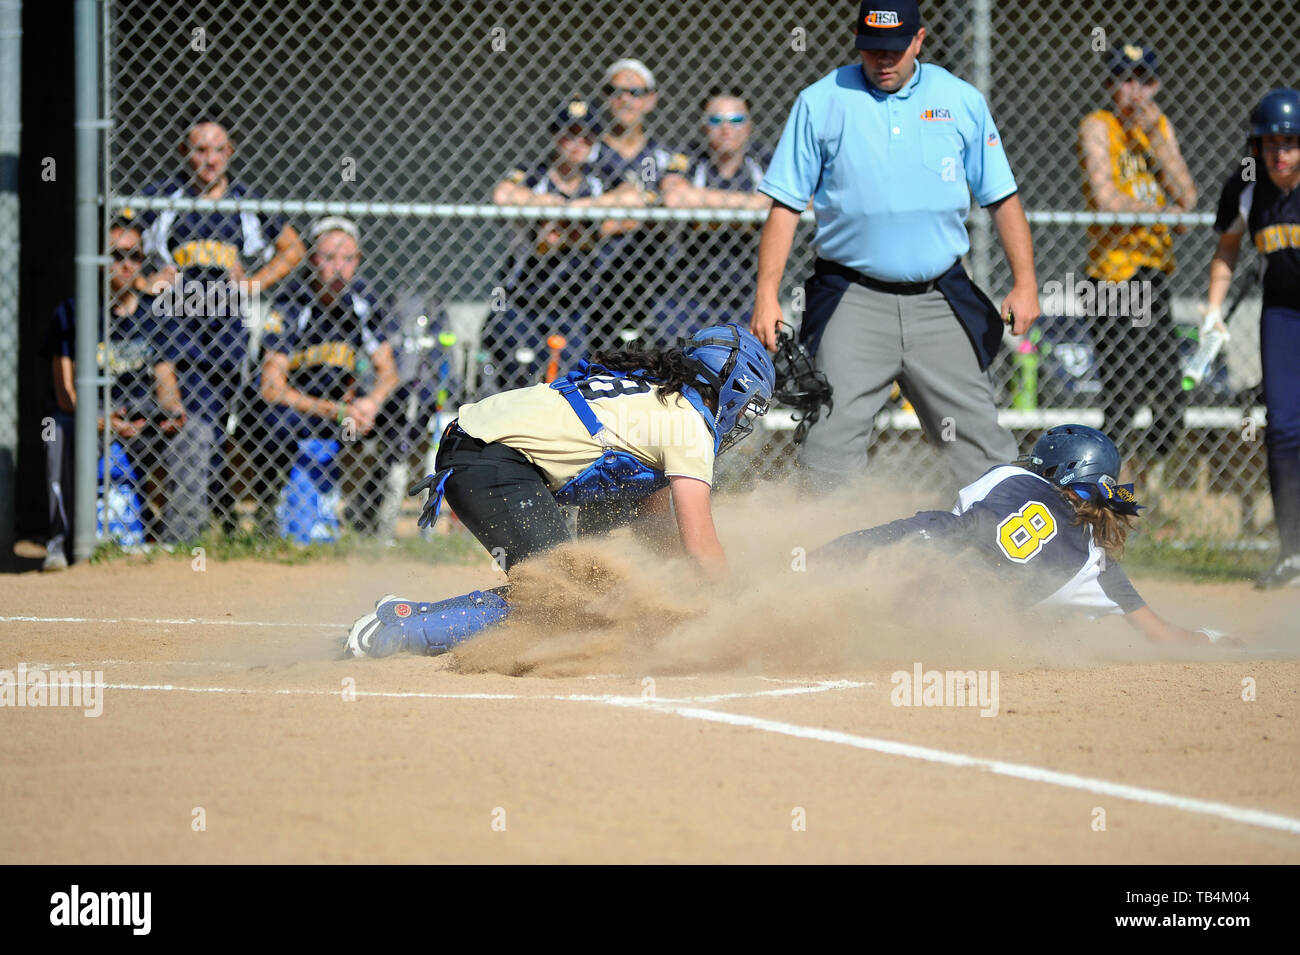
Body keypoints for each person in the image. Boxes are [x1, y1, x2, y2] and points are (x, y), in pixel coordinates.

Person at [343, 323, 776, 658]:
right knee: (560, 601)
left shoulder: (660, 399)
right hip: (492, 459)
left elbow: (651, 532)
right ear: (731, 388)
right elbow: (701, 546)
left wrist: (665, 592)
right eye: (749, 405)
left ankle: (410, 613)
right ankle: (398, 632)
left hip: (481, 449)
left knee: (589, 591)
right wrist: (739, 609)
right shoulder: (689, 425)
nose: (744, 420)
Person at [750, 0, 1039, 491]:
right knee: (829, 446)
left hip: (938, 297)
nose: (884, 61)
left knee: (981, 445)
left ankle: (1006, 555)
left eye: (895, 49)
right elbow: (785, 204)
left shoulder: (961, 99)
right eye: (872, 49)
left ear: (919, 40)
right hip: (853, 297)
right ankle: (824, 556)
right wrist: (767, 293)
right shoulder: (822, 100)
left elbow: (1002, 197)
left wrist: (1026, 282)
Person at [819, 425, 1229, 644]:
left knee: (934, 529)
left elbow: (965, 519)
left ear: (1061, 470)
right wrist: (1209, 637)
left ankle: (817, 562)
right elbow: (1162, 635)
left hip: (921, 567)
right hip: (957, 628)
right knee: (1043, 622)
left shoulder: (1009, 475)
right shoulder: (1096, 565)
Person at [143, 119, 306, 539]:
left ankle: (217, 520)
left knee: (214, 428)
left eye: (217, 149)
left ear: (230, 152)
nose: (209, 159)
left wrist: (255, 282)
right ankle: (186, 529)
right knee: (189, 423)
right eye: (199, 150)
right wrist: (146, 280)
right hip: (173, 334)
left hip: (227, 339)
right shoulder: (164, 197)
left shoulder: (244, 203)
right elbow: (117, 244)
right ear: (184, 153)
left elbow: (293, 249)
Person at [1077, 43, 1198, 466]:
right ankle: (1101, 488)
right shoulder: (1099, 125)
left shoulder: (1159, 128)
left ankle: (1146, 479)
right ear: (1111, 85)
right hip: (1111, 279)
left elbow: (1188, 205)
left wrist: (1156, 146)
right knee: (1122, 396)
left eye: (1143, 80)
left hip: (1153, 273)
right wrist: (1161, 212)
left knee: (1169, 395)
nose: (1134, 91)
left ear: (1156, 84)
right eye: (1124, 80)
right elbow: (1106, 198)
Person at [1201, 89, 1300, 589]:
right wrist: (1213, 310)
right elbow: (1227, 249)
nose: (1280, 152)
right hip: (1282, 314)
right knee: (1283, 427)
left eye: (1291, 142)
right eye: (1270, 143)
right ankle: (1292, 553)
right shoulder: (1246, 188)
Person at [259, 217, 400, 542]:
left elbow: (388, 372)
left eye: (348, 259)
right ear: (312, 260)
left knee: (402, 413)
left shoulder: (362, 301)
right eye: (329, 258)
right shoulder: (292, 302)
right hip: (300, 411)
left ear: (359, 261)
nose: (338, 268)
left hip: (345, 414)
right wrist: (337, 411)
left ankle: (373, 522)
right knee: (280, 420)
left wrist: (370, 403)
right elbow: (272, 387)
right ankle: (278, 513)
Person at [41, 217, 171, 567]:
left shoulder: (152, 314)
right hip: (89, 411)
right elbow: (64, 390)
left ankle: (173, 539)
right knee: (56, 430)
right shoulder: (71, 312)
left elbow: (166, 379)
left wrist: (167, 414)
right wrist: (98, 420)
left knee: (190, 432)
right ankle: (62, 541)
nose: (126, 264)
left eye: (133, 256)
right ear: (98, 258)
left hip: (140, 411)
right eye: (116, 255)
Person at [480, 99, 609, 395]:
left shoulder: (598, 180)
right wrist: (552, 205)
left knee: (570, 385)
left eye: (587, 136)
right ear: (555, 136)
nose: (578, 143)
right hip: (523, 300)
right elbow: (503, 193)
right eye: (570, 133)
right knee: (522, 377)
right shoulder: (534, 175)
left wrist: (577, 209)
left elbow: (634, 199)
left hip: (576, 305)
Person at [654, 88, 773, 343]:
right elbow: (675, 198)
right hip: (689, 286)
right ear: (704, 126)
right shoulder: (688, 156)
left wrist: (702, 200)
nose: (726, 128)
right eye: (716, 120)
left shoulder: (763, 160)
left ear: (749, 126)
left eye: (736, 120)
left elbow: (798, 201)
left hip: (747, 285)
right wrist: (752, 204)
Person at [586, 58, 690, 346]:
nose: (625, 99)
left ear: (651, 100)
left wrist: (608, 216)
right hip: (591, 280)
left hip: (653, 281)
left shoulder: (666, 157)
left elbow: (670, 214)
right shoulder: (586, 152)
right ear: (605, 98)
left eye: (635, 92)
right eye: (615, 91)